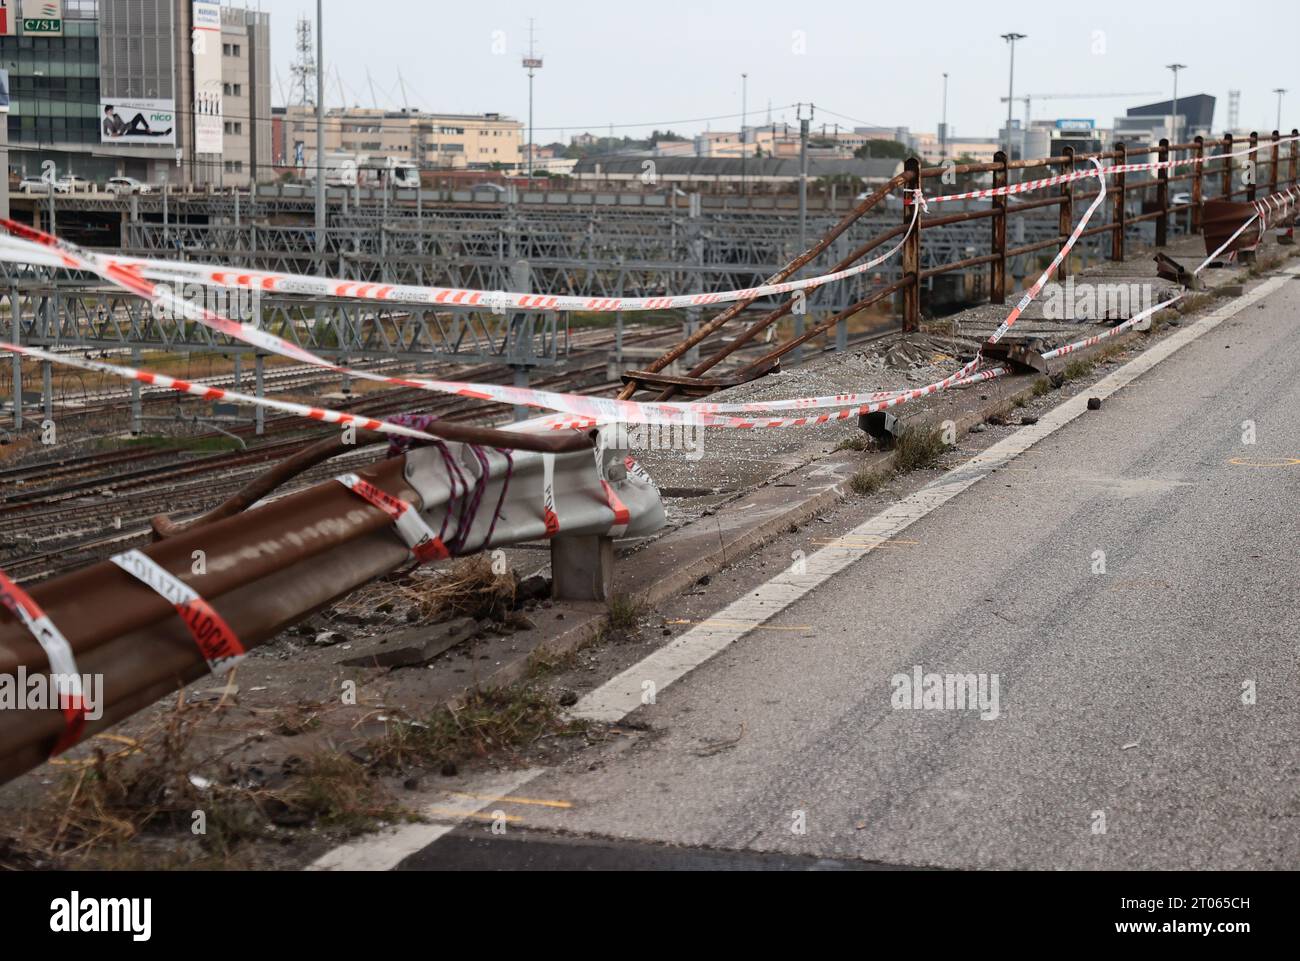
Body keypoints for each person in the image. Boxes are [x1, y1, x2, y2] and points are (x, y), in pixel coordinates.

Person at [102, 105, 172, 139]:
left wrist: (119, 131)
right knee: (145, 133)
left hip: (129, 126)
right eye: (110, 110)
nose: (112, 112)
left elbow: (122, 124)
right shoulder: (105, 122)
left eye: (112, 110)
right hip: (127, 132)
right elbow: (105, 133)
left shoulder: (116, 115)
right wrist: (111, 135)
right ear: (106, 112)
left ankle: (148, 128)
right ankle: (163, 133)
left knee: (139, 115)